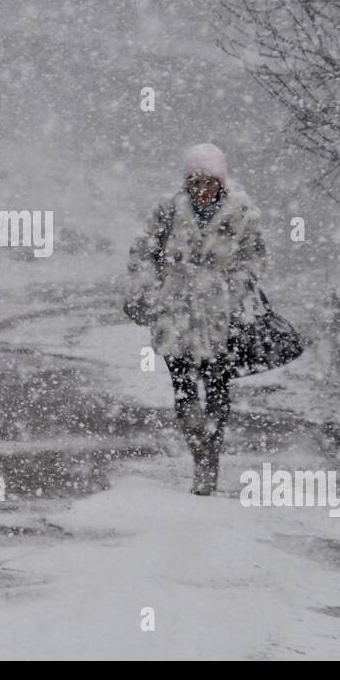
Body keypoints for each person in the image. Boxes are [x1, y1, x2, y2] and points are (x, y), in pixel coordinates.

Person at [127, 144, 266, 495]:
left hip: (222, 316)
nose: (201, 189)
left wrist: (232, 287)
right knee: (184, 389)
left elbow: (256, 258)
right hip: (175, 312)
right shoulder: (168, 210)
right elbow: (143, 252)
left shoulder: (242, 213)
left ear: (221, 182)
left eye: (208, 182)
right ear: (186, 182)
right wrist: (151, 289)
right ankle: (199, 453)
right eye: (194, 181)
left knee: (218, 388)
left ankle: (211, 455)